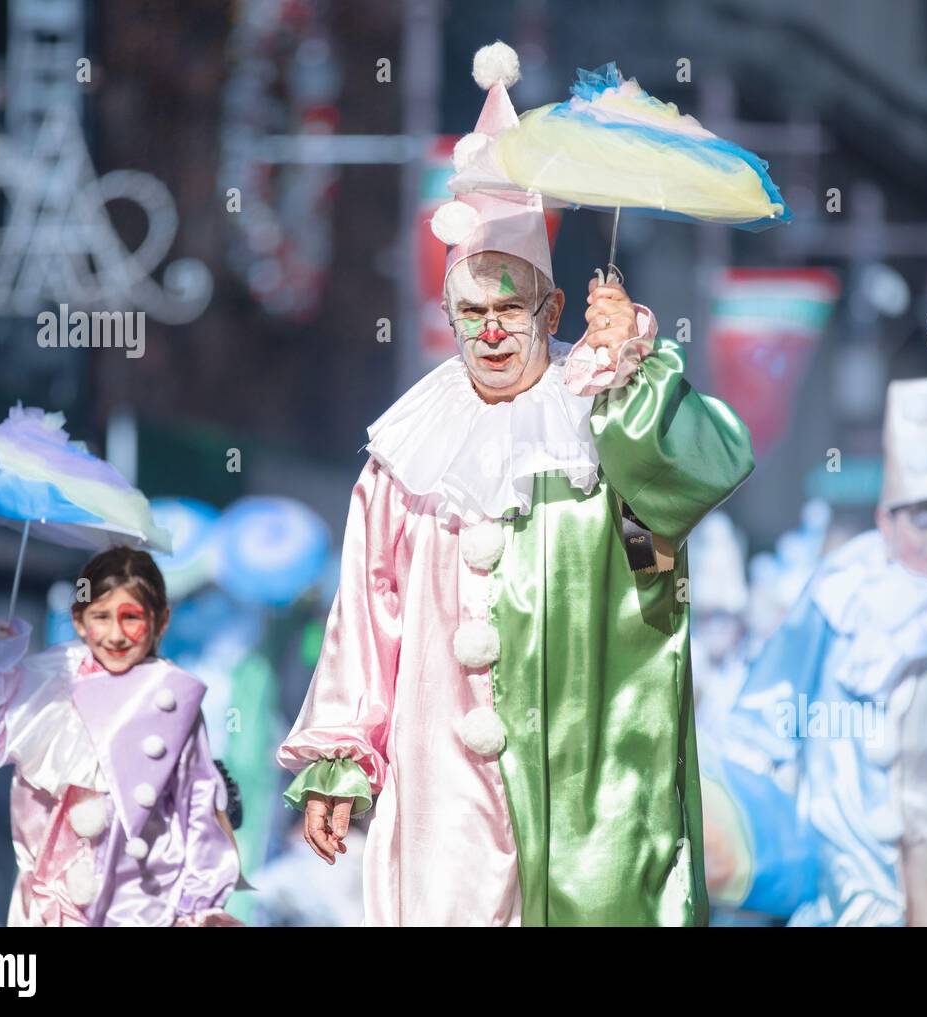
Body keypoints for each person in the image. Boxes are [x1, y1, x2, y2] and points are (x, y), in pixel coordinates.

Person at [277, 40, 756, 927]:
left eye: (511, 310)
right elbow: (364, 616)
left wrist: (636, 375)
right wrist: (340, 759)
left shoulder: (602, 406)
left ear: (554, 310)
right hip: (441, 778)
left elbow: (678, 514)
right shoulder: (405, 459)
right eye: (474, 312)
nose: (492, 333)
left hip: (590, 762)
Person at [713, 379, 927, 925]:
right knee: (864, 913)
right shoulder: (843, 585)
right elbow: (787, 670)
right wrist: (759, 760)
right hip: (846, 795)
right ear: (885, 520)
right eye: (922, 522)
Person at [0, 547, 242, 927]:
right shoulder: (53, 676)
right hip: (53, 901)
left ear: (160, 621)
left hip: (144, 902)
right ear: (79, 620)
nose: (116, 635)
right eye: (101, 617)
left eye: (131, 618)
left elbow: (200, 803)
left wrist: (202, 904)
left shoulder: (173, 697)